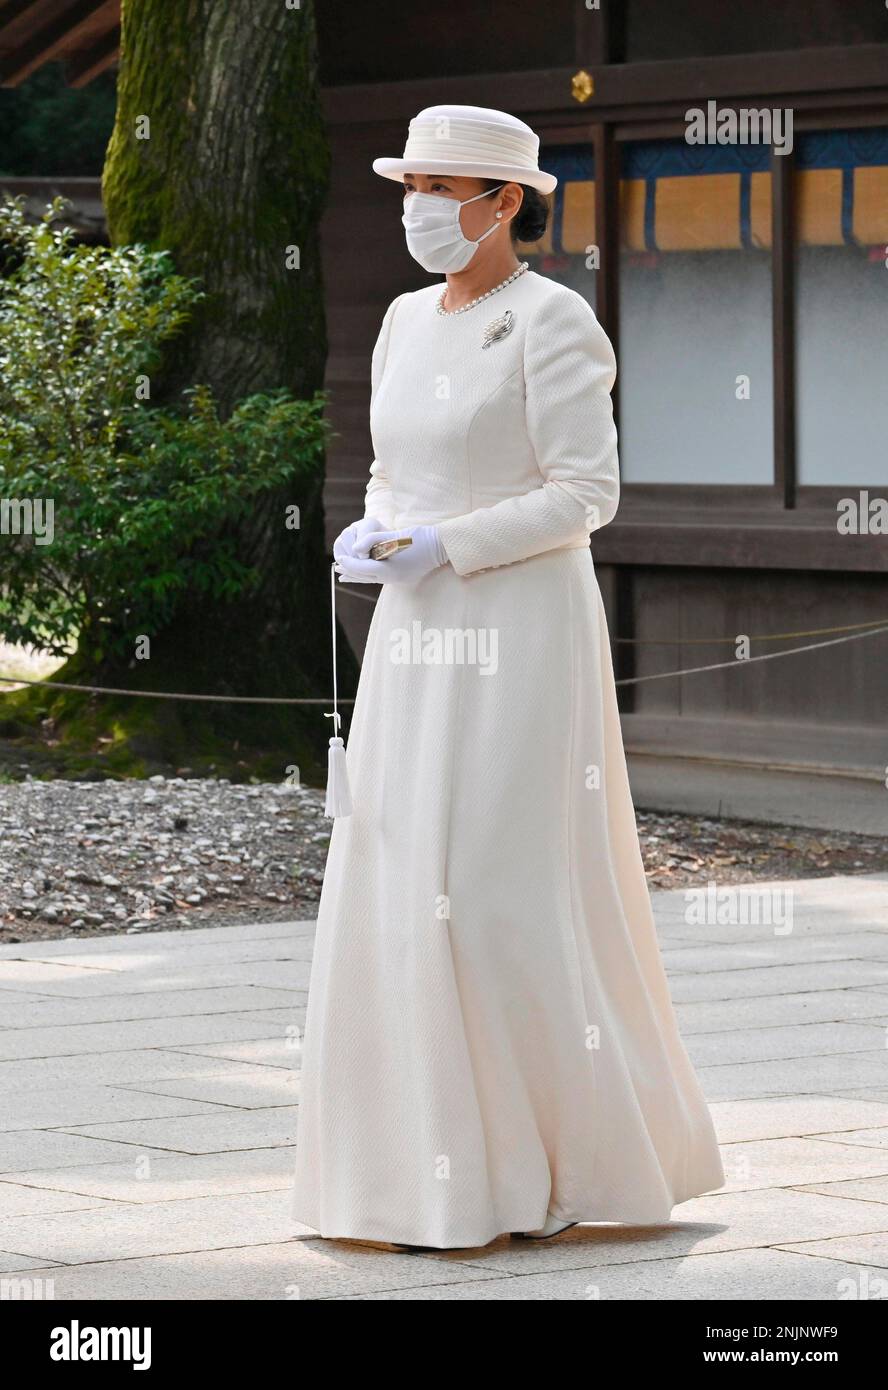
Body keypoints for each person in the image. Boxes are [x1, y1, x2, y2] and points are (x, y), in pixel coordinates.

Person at [290, 104, 725, 1249]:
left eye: (440, 186)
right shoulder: (395, 320)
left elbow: (588, 493)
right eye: (410, 184)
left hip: (522, 626)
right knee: (398, 876)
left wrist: (458, 542)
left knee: (489, 884)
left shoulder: (554, 321)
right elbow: (392, 467)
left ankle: (549, 1167)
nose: (418, 207)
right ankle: (418, 1181)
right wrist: (376, 530)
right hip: (416, 628)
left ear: (504, 201)